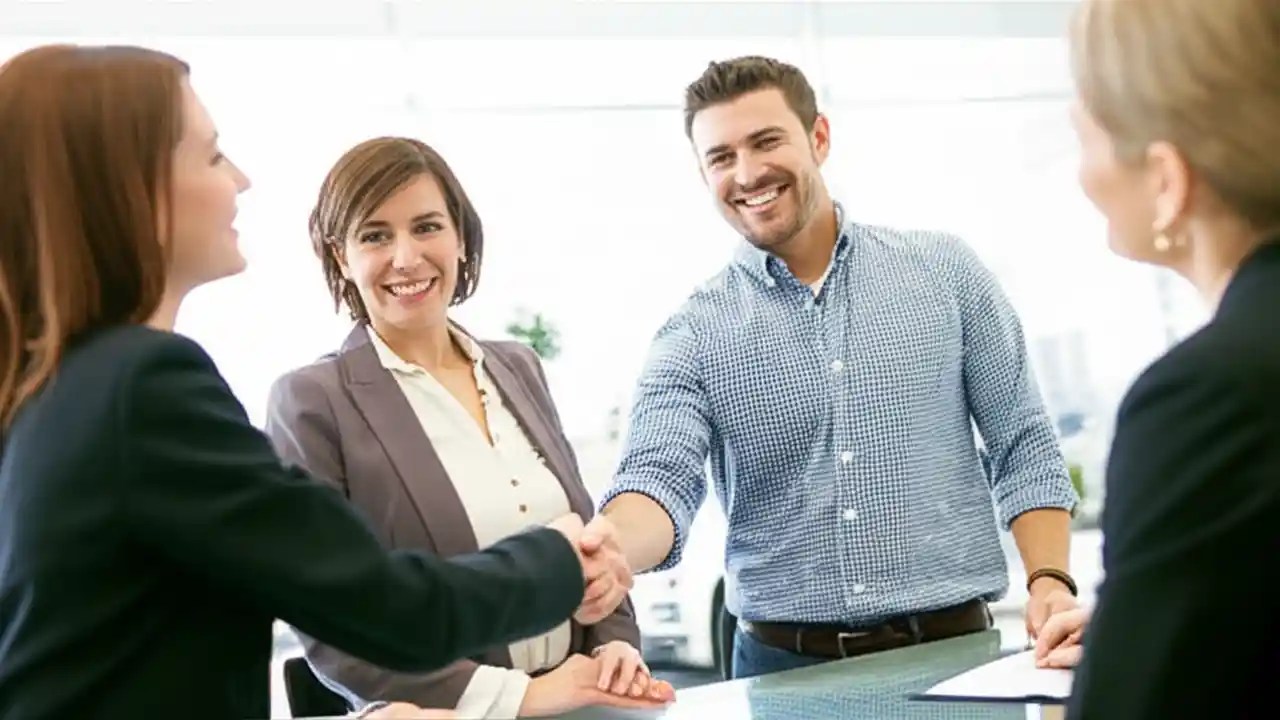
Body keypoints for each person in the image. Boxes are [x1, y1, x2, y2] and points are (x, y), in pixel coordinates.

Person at [0, 44, 620, 720]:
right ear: (130, 190)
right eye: (211, 155)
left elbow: (135, 665)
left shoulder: (60, 381)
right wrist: (561, 561)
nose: (240, 180)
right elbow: (382, 606)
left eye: (427, 227)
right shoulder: (142, 387)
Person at [578, 55, 1082, 680]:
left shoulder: (946, 272)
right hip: (779, 672)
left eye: (766, 142)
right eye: (721, 157)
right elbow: (658, 479)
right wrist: (607, 549)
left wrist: (1049, 580)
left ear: (818, 138)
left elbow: (1022, 441)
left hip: (954, 657)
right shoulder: (692, 332)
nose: (747, 173)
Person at [264, 136, 674, 717]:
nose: (406, 257)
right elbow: (333, 620)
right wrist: (521, 697)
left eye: (427, 227)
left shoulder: (518, 367)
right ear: (340, 257)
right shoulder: (312, 400)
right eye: (375, 235)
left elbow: (582, 538)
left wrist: (613, 643)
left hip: (583, 705)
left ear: (460, 236)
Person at [1025, 0, 1280, 716]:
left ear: (1167, 177)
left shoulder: (1210, 395)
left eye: (1088, 136)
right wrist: (1152, 619)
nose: (1081, 175)